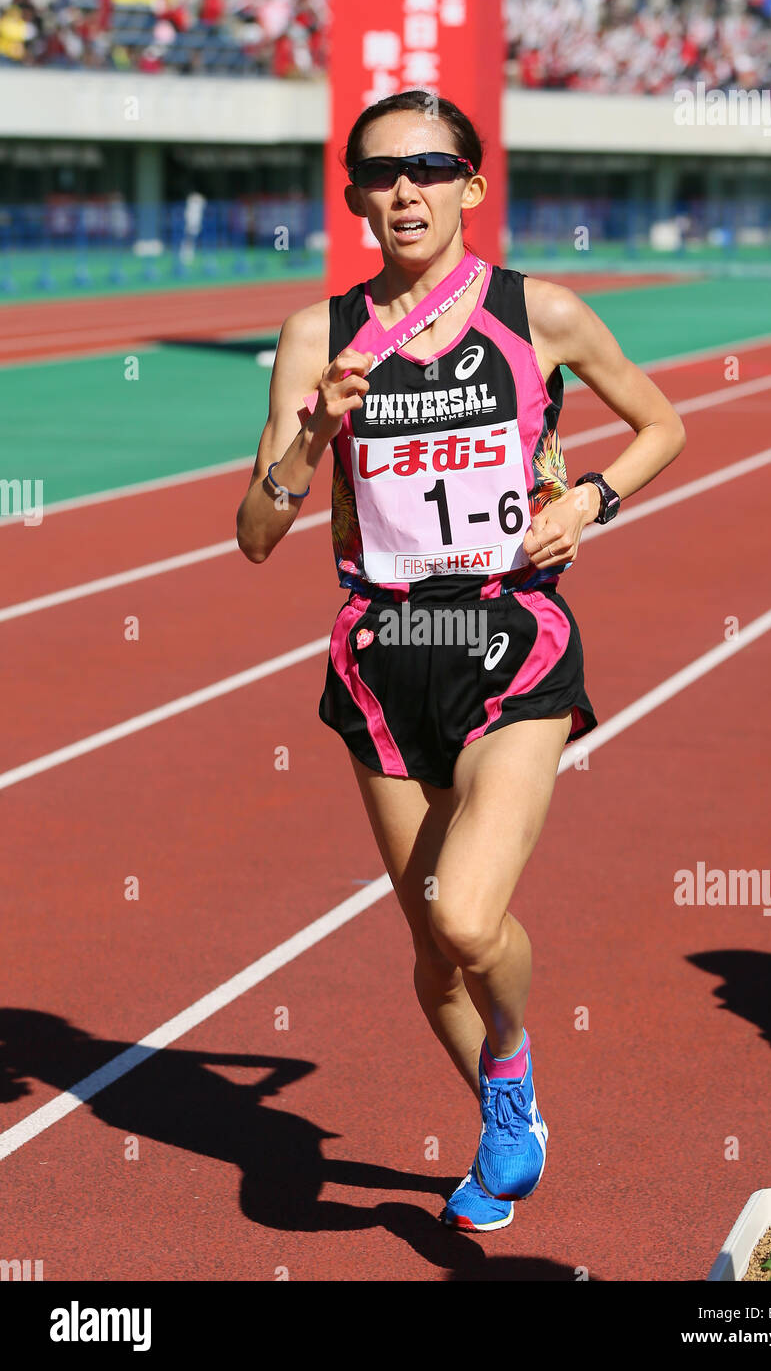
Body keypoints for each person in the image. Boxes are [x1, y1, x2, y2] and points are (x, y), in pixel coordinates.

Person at [236, 89, 685, 1234]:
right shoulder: (315, 336)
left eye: (431, 169)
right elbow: (255, 530)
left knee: (469, 921)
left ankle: (513, 1059)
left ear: (470, 188)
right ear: (352, 200)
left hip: (508, 635)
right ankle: (506, 1098)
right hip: (382, 654)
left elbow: (661, 424)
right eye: (380, 174)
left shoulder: (541, 312)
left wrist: (589, 496)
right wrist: (312, 434)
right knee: (431, 960)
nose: (405, 190)